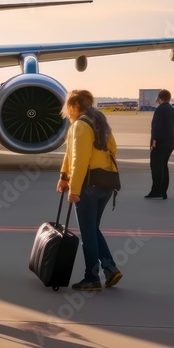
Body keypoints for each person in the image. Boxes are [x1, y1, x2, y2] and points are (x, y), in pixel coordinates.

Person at [56, 89, 123, 291]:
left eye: (68, 108)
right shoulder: (99, 120)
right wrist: (63, 176)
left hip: (88, 186)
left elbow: (79, 159)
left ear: (74, 106)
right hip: (106, 184)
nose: (68, 112)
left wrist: (73, 189)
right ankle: (110, 269)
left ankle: (91, 278)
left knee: (88, 234)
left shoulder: (80, 125)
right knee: (92, 229)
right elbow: (113, 148)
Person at [146, 89, 174, 199]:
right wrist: (173, 139)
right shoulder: (173, 110)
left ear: (160, 98)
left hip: (159, 143)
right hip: (169, 143)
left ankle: (156, 190)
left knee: (156, 167)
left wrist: (154, 142)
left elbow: (156, 127)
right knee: (164, 166)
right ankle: (163, 191)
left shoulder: (160, 110)